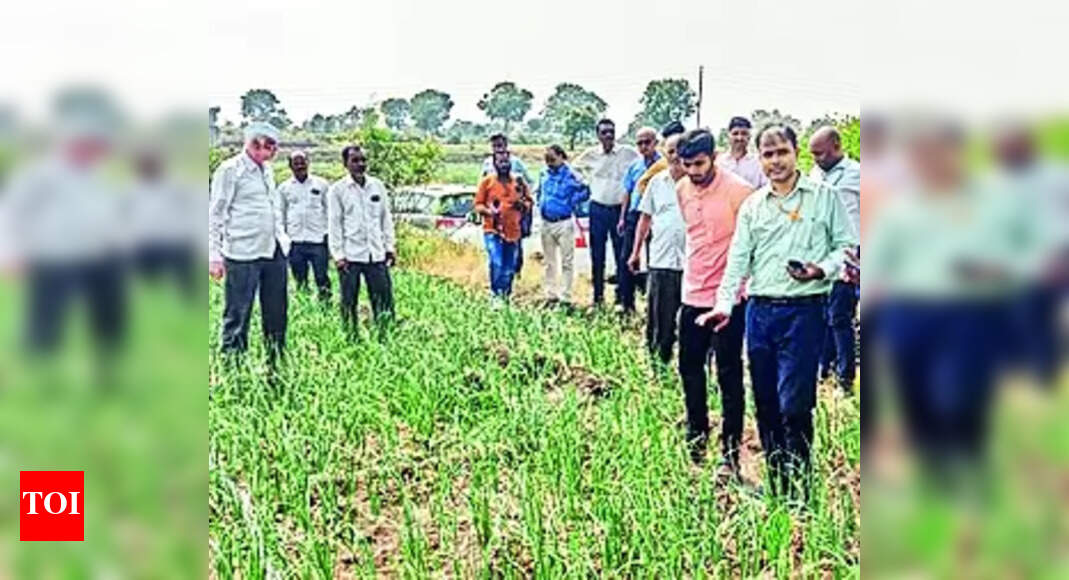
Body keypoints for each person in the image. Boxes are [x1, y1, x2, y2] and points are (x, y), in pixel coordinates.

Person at [698, 124, 856, 498]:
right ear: (760, 159)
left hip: (805, 312)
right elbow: (737, 263)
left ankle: (801, 488)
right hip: (760, 312)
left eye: (781, 152)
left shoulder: (825, 197)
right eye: (767, 155)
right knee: (767, 403)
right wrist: (723, 305)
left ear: (796, 152)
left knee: (795, 403)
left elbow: (847, 247)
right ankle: (779, 485)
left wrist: (822, 269)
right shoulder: (753, 206)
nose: (775, 161)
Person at [671, 129, 756, 469]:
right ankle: (696, 436)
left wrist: (740, 290)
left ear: (715, 156)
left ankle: (731, 450)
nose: (692, 171)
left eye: (699, 164)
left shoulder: (740, 192)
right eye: (686, 164)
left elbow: (751, 247)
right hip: (692, 292)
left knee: (728, 373)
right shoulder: (681, 189)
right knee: (689, 368)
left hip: (730, 298)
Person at [209, 122, 290, 361]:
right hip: (243, 252)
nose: (274, 152)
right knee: (238, 313)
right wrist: (213, 255)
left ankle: (276, 360)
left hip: (273, 249)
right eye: (271, 146)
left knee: (277, 311)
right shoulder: (230, 170)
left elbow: (272, 209)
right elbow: (216, 213)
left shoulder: (267, 170)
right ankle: (233, 366)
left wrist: (283, 239)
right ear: (256, 143)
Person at [809, 126, 862, 394]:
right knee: (825, 314)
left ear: (837, 147)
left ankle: (845, 378)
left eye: (820, 153)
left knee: (841, 316)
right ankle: (824, 368)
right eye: (813, 154)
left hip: (849, 253)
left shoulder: (857, 174)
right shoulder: (815, 175)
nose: (816, 159)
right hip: (822, 254)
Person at [627, 131, 686, 366]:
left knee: (692, 323)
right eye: (671, 151)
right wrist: (635, 252)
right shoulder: (656, 182)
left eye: (681, 151)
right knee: (659, 317)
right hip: (661, 261)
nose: (676, 156)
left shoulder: (698, 184)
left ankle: (692, 367)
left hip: (693, 264)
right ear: (664, 153)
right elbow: (645, 219)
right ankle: (657, 364)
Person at [327, 145, 396, 336]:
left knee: (383, 298)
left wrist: (390, 247)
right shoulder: (337, 190)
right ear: (345, 164)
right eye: (355, 160)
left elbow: (385, 219)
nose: (360, 164)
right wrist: (338, 255)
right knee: (349, 299)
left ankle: (386, 333)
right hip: (350, 255)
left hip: (376, 254)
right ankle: (351, 335)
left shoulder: (377, 186)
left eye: (363, 160)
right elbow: (334, 224)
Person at [571, 118, 640, 308]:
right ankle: (598, 298)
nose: (608, 135)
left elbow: (643, 167)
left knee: (621, 254)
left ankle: (621, 297)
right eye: (604, 132)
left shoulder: (628, 153)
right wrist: (586, 183)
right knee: (597, 255)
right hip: (598, 208)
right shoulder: (591, 154)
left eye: (611, 131)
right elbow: (573, 168)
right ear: (598, 135)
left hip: (619, 210)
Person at [475, 151, 532, 306]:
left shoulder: (518, 183)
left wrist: (523, 205)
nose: (504, 165)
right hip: (492, 229)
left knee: (509, 266)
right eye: (500, 162)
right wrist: (489, 211)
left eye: (506, 162)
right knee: (496, 261)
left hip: (513, 230)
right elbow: (478, 204)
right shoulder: (487, 182)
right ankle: (495, 294)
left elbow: (529, 202)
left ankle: (505, 295)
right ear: (495, 164)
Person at [616, 127, 662, 314]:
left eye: (647, 142)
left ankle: (653, 305)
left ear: (655, 143)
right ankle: (627, 304)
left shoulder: (662, 166)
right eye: (640, 143)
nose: (644, 146)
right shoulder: (635, 166)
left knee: (654, 260)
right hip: (634, 215)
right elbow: (627, 192)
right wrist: (622, 218)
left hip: (656, 216)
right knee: (627, 258)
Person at [537, 144, 590, 305]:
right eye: (547, 159)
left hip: (563, 222)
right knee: (549, 261)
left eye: (552, 159)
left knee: (567, 261)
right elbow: (539, 191)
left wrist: (571, 202)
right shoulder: (543, 174)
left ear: (561, 157)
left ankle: (566, 296)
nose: (549, 162)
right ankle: (550, 294)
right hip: (546, 222)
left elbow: (586, 190)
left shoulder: (571, 175)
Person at [279, 150, 332, 301]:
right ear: (290, 166)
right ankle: (304, 306)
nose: (300, 165)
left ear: (308, 163)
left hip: (318, 240)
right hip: (295, 242)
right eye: (296, 163)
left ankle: (325, 306)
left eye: (303, 162)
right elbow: (281, 214)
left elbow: (329, 211)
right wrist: (283, 238)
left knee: (322, 277)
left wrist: (328, 234)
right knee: (300, 279)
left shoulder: (321, 185)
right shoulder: (284, 188)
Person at [482, 133, 534, 276]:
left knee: (515, 244)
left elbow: (530, 182)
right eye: (495, 146)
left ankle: (514, 273)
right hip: (494, 214)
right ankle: (497, 279)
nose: (498, 149)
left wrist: (522, 199)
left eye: (500, 145)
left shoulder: (516, 163)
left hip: (514, 212)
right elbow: (482, 187)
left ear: (506, 145)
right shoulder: (487, 164)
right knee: (494, 251)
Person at [716, 116, 769, 189]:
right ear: (729, 136)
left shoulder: (758, 162)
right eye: (735, 133)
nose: (739, 138)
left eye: (744, 134)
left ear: (749, 137)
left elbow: (765, 187)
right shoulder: (719, 162)